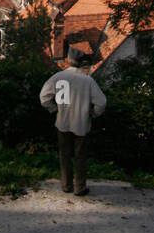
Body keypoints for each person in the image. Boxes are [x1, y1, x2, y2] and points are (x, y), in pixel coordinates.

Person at [39, 46, 107, 196]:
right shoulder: (87, 80)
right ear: (81, 62)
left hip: (62, 122)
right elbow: (101, 102)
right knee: (80, 157)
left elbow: (44, 97)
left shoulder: (58, 77)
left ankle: (66, 185)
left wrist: (54, 109)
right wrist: (93, 114)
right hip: (81, 123)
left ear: (69, 61)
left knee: (64, 155)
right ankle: (80, 187)